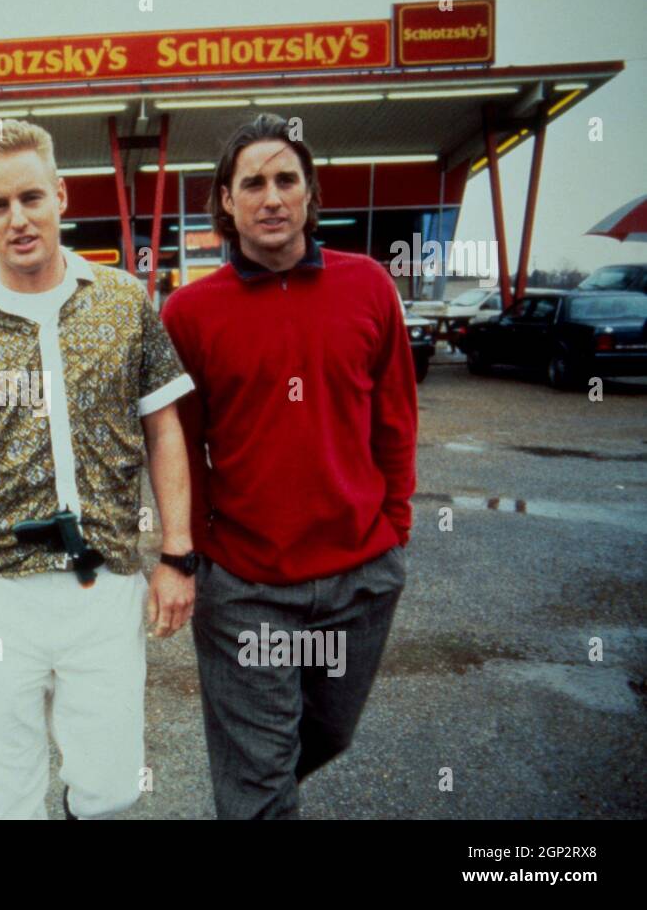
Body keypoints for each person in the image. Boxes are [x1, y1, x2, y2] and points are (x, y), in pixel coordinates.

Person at [0, 119, 197, 819]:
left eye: (32, 197)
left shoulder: (124, 303)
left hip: (104, 581)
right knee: (8, 787)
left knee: (112, 784)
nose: (19, 218)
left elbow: (165, 429)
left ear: (61, 195)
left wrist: (177, 555)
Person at [161, 114, 418, 819]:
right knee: (261, 786)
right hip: (247, 589)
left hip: (360, 577)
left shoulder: (367, 286)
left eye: (285, 180)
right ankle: (256, 787)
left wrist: (394, 527)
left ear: (309, 194)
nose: (271, 197)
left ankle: (259, 772)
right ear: (226, 201)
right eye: (253, 183)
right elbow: (179, 445)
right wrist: (199, 551)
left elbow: (394, 420)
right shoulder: (189, 312)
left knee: (328, 732)